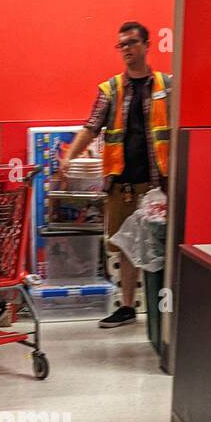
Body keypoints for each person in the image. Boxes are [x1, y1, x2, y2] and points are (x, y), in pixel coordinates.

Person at [60, 21, 171, 329]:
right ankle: (127, 306)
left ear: (147, 45)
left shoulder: (167, 85)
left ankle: (159, 305)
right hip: (121, 183)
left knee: (158, 243)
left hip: (156, 183)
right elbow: (91, 126)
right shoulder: (111, 89)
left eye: (132, 43)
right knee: (124, 244)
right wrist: (69, 156)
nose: (126, 49)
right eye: (121, 45)